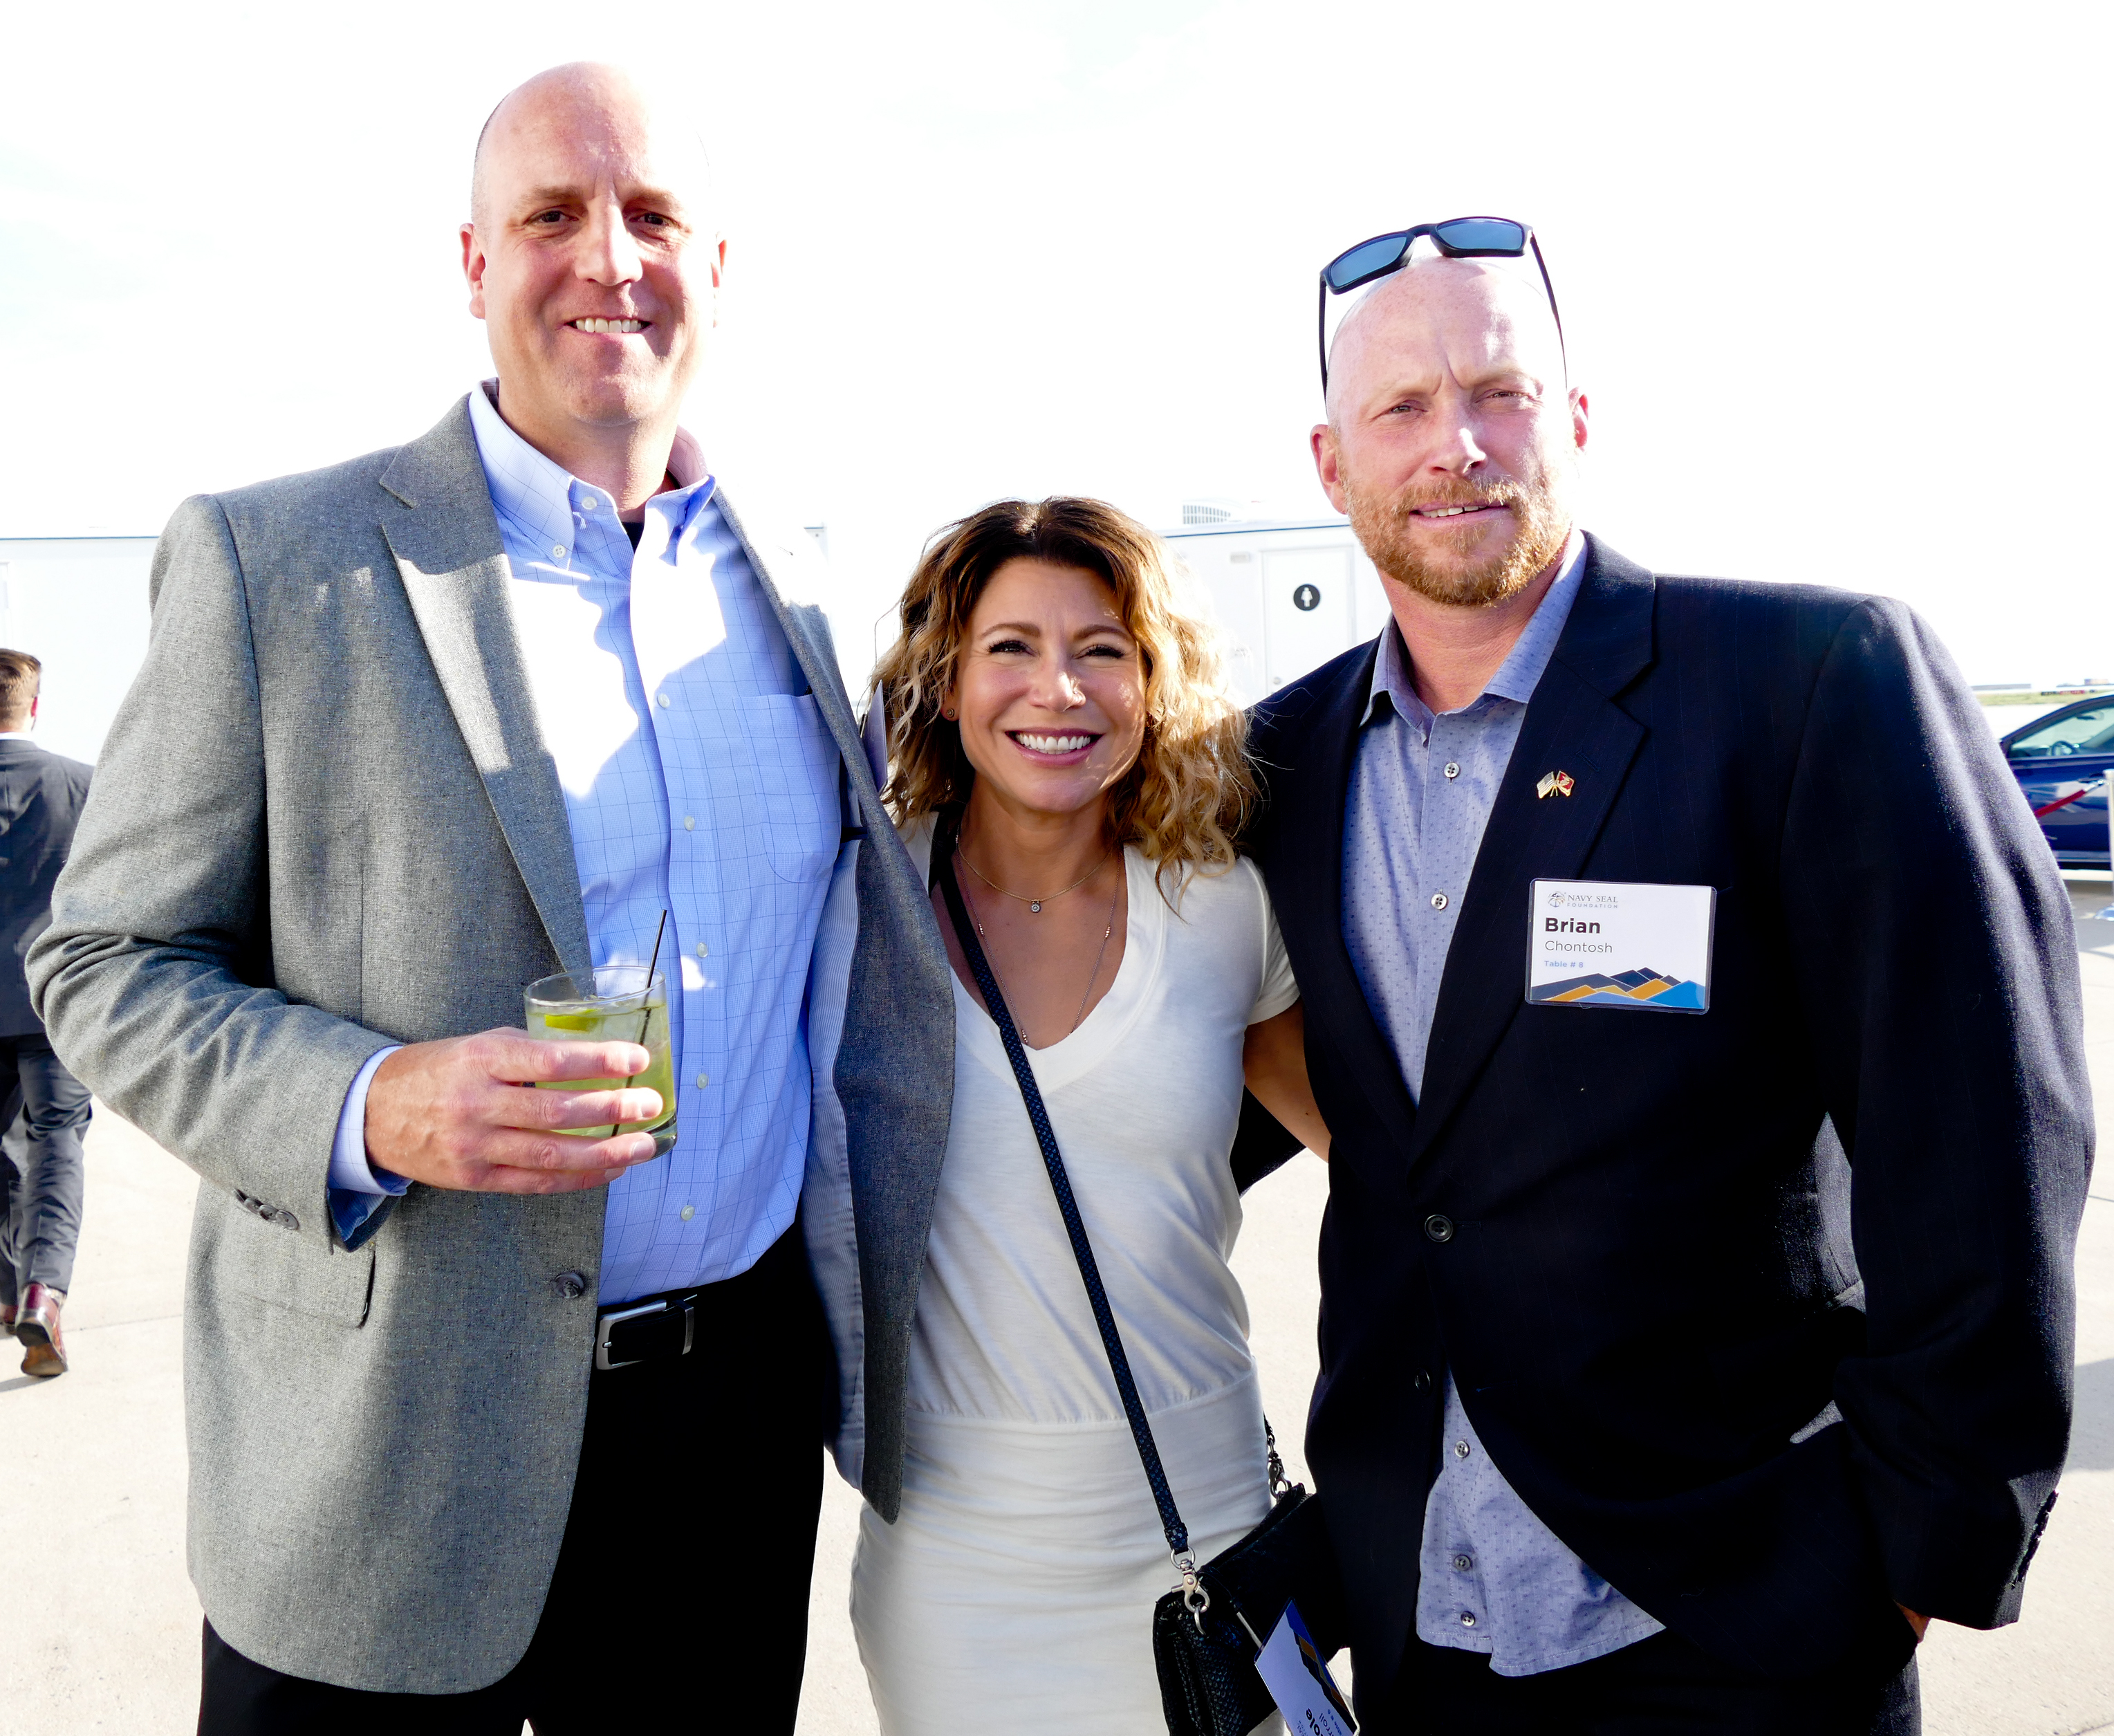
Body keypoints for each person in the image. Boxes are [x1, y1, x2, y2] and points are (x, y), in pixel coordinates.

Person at [29, 64, 953, 1733]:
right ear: (472, 263)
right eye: (549, 215)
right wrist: (369, 1102)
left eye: (652, 215)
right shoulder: (277, 560)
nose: (608, 258)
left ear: (718, 269)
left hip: (723, 1441)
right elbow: (101, 959)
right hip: (387, 1452)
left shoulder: (803, 597)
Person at [1242, 230, 2092, 1734]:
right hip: (1422, 1611)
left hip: (1736, 1608)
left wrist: (1907, 1548)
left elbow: (1978, 1132)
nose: (1456, 444)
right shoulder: (1279, 763)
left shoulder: (1805, 682)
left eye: (1498, 390)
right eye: (1399, 409)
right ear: (1328, 462)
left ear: (1575, 418)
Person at [836, 497, 1328, 1733]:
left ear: (1155, 684)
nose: (1056, 688)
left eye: (1103, 649)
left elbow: (1395, 1174)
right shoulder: (857, 903)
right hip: (954, 1560)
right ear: (945, 683)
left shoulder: (1221, 907)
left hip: (1208, 1537)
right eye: (1009, 648)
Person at [0, 648, 93, 1378]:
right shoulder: (81, 786)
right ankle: (43, 1291)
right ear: (33, 707)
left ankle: (6, 1291)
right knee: (57, 1140)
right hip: (50, 1000)